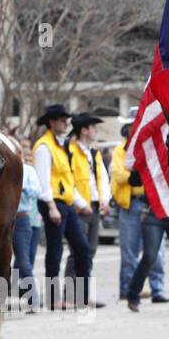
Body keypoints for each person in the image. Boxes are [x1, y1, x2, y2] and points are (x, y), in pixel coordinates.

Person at [32, 103, 96, 309]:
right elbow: (43, 181)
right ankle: (53, 298)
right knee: (55, 250)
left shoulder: (64, 145)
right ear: (52, 122)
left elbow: (68, 180)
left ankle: (81, 295)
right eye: (62, 120)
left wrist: (81, 203)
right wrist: (51, 207)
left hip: (67, 202)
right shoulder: (44, 146)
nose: (66, 122)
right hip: (53, 202)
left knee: (82, 248)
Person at [111, 113, 166, 303]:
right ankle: (126, 289)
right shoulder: (120, 151)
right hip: (131, 204)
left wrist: (138, 175)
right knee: (129, 251)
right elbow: (119, 174)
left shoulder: (152, 149)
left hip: (151, 202)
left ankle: (157, 289)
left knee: (156, 251)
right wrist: (137, 177)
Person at [64, 113, 109, 301]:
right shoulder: (70, 151)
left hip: (95, 206)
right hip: (79, 209)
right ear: (84, 130)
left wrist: (105, 199)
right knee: (77, 252)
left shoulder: (94, 152)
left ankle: (83, 294)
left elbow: (103, 178)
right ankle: (70, 294)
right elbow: (68, 182)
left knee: (90, 251)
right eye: (93, 127)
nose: (95, 131)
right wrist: (81, 204)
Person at [14, 141, 42, 311]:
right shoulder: (2, 169)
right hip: (3, 220)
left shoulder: (28, 171)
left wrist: (22, 188)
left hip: (21, 219)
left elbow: (36, 191)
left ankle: (33, 299)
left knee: (23, 261)